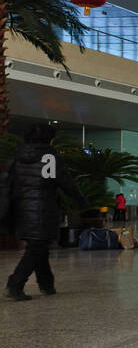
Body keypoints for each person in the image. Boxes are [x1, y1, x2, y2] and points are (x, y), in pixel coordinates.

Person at [2, 123, 88, 300]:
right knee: (36, 248)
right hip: (42, 209)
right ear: (49, 138)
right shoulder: (50, 157)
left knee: (39, 246)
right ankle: (15, 284)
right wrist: (81, 201)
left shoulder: (17, 156)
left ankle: (46, 284)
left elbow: (6, 182)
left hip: (21, 209)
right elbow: (65, 182)